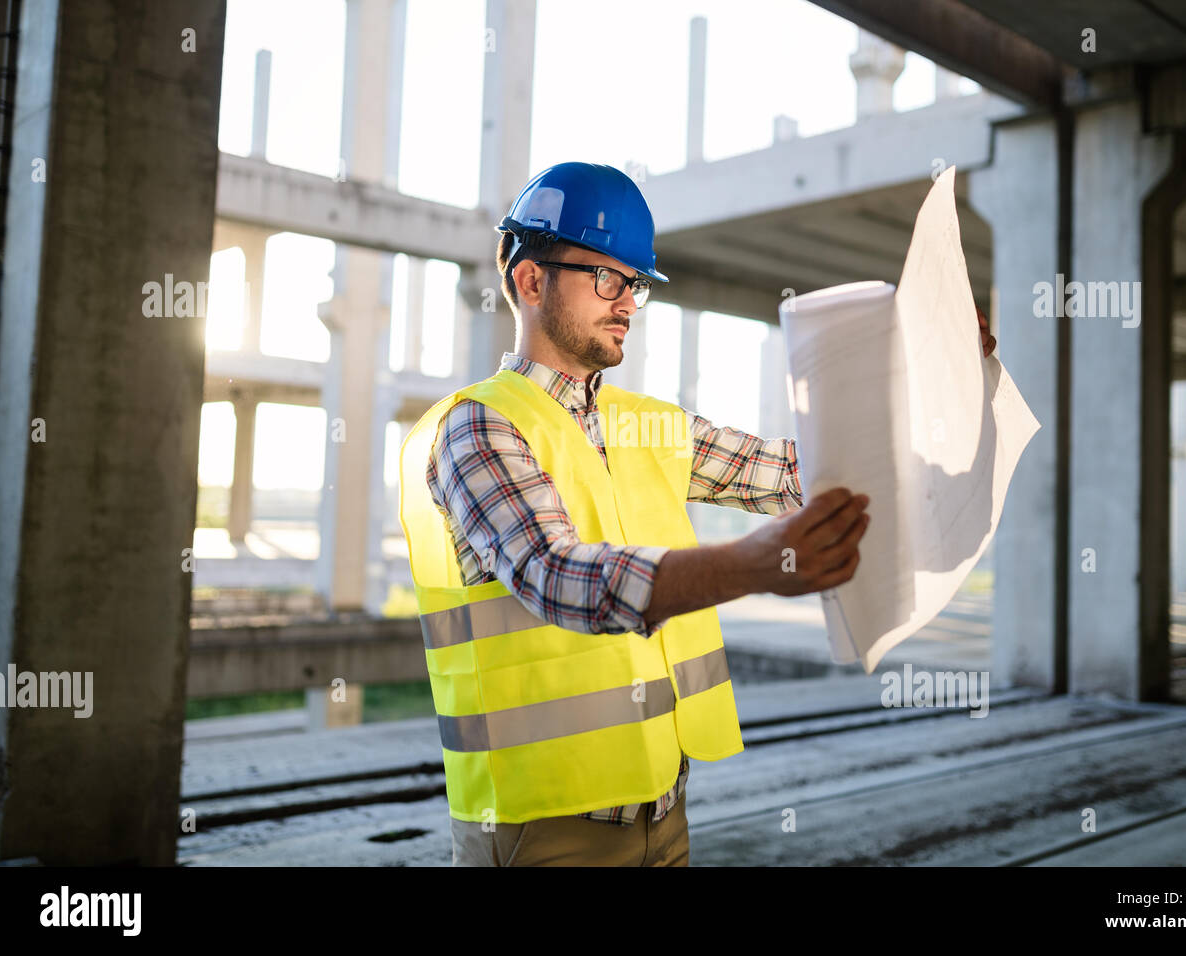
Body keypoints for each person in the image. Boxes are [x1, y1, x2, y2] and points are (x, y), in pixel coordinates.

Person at [398, 161, 995, 867]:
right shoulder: (480, 428)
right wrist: (750, 564)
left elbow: (800, 472)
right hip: (544, 829)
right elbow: (553, 574)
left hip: (665, 807)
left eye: (636, 284)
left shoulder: (646, 425)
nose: (627, 301)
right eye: (607, 278)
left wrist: (925, 387)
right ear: (532, 280)